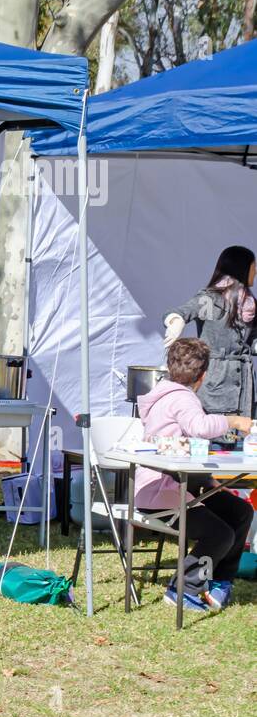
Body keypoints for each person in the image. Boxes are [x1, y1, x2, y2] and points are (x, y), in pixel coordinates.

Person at [136, 338, 254, 611]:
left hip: (178, 485)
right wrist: (233, 420)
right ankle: (183, 589)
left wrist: (208, 481)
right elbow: (199, 427)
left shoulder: (166, 394)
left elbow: (183, 446)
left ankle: (219, 581)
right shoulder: (182, 397)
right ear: (203, 375)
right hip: (161, 494)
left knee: (240, 512)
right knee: (221, 534)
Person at [164, 245, 257, 416]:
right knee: (213, 434)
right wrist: (175, 320)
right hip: (216, 381)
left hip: (245, 387)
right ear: (242, 267)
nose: (256, 271)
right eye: (254, 266)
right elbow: (184, 310)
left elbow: (252, 341)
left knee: (243, 437)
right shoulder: (209, 299)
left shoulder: (250, 304)